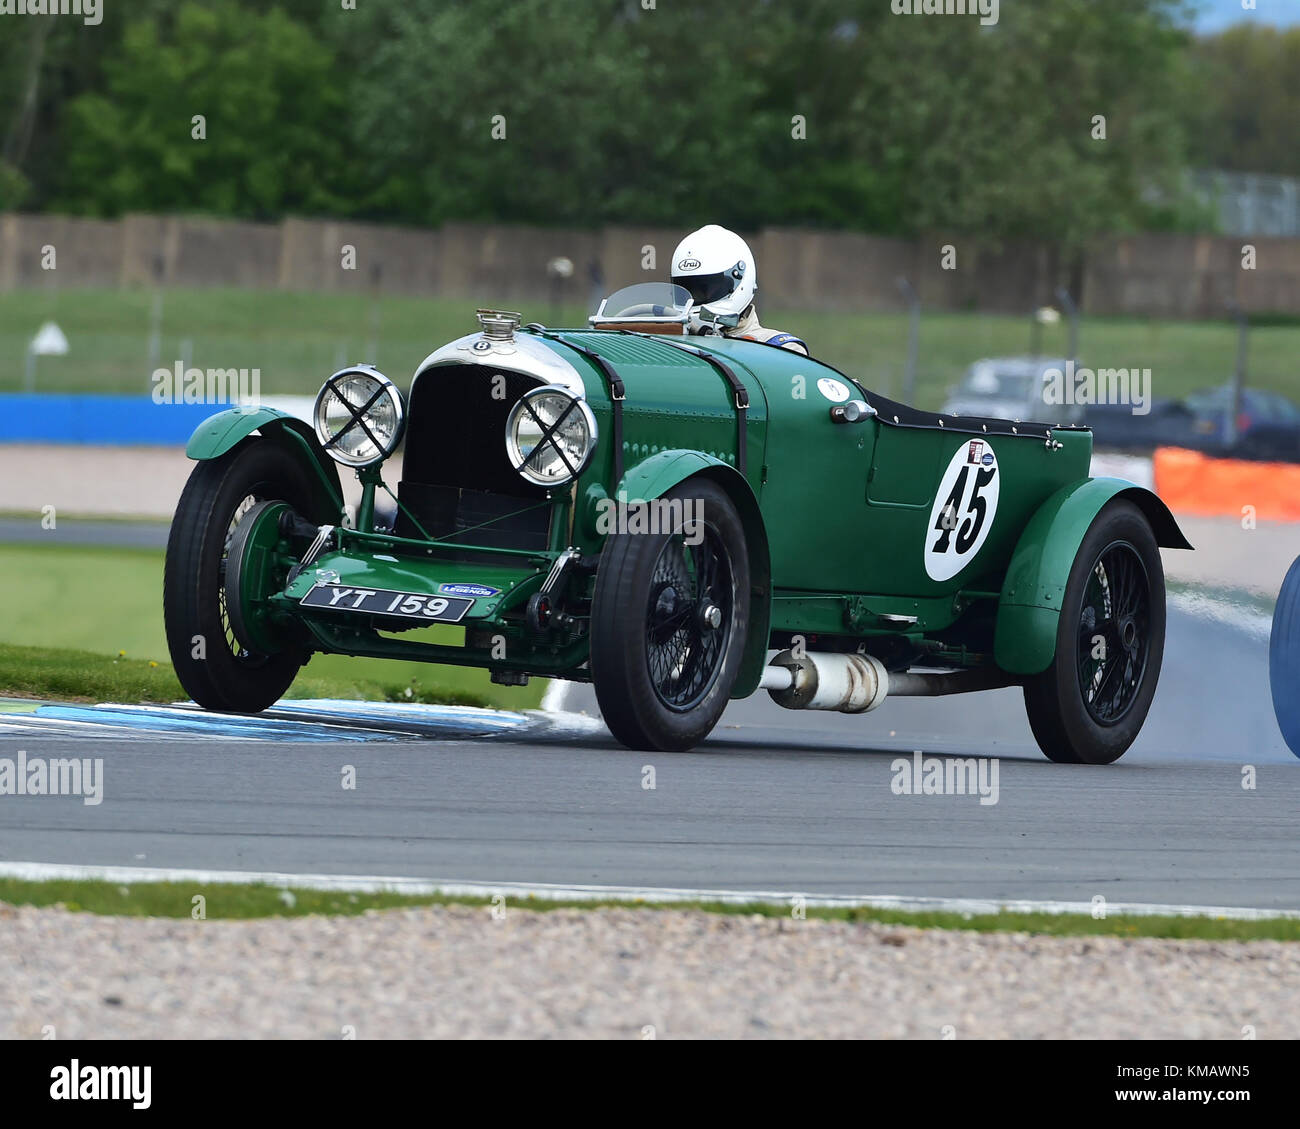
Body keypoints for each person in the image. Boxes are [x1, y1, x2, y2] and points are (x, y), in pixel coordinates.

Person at [670, 224, 808, 355]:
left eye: (705, 288)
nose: (694, 296)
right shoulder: (667, 342)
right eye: (688, 288)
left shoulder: (780, 349)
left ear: (739, 280)